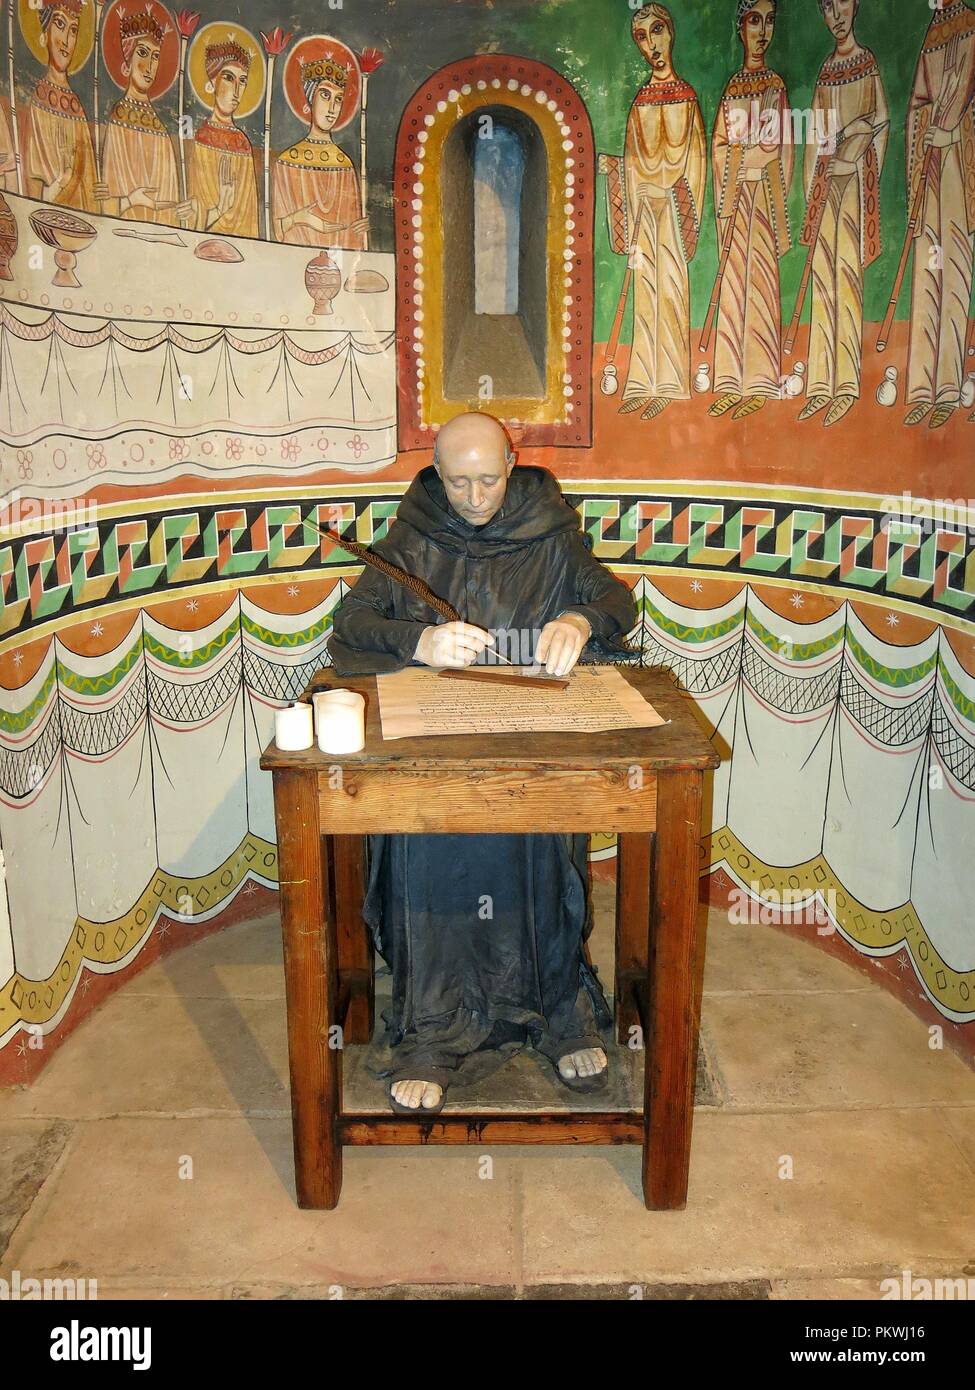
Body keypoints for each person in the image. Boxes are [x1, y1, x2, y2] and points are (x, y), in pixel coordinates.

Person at [328, 412, 637, 1114]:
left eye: (488, 479)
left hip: (526, 741)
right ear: (435, 474)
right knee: (431, 862)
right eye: (456, 480)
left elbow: (615, 601)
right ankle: (432, 1033)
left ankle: (555, 1014)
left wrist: (578, 621)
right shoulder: (412, 536)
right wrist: (419, 641)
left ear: (512, 462)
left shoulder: (549, 531)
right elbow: (350, 626)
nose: (473, 496)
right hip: (436, 746)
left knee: (539, 855)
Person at [799, 0, 888, 427]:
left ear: (855, 7)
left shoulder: (867, 62)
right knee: (823, 282)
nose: (836, 16)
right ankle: (819, 383)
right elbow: (814, 136)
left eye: (842, 5)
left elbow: (881, 123)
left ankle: (847, 384)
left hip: (852, 187)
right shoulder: (824, 71)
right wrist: (810, 190)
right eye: (827, 8)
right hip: (824, 188)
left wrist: (855, 162)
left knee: (847, 280)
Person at [619, 3, 706, 419]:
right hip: (644, 213)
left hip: (672, 209)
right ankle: (643, 380)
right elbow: (631, 161)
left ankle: (669, 382)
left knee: (671, 291)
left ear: (670, 34)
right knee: (644, 295)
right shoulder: (639, 102)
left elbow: (698, 163)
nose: (652, 44)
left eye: (657, 32)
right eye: (642, 37)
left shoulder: (687, 97)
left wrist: (674, 194)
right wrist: (629, 187)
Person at [709, 0, 794, 421]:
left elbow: (777, 148)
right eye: (754, 21)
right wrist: (738, 162)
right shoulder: (732, 89)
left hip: (761, 202)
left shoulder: (775, 85)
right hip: (734, 200)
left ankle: (760, 378)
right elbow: (720, 148)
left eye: (770, 21)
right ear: (740, 27)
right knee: (732, 286)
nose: (763, 31)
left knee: (759, 283)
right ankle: (728, 379)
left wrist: (748, 158)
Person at [903, 0, 975, 430]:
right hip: (930, 164)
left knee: (954, 267)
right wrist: (928, 123)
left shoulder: (971, 25)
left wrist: (955, 128)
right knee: (928, 269)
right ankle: (920, 387)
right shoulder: (933, 33)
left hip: (960, 167)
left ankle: (948, 385)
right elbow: (917, 103)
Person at [98, 8, 193, 226]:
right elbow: (105, 205)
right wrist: (132, 200)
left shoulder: (160, 129)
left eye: (156, 56)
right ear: (126, 63)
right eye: (142, 53)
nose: (149, 65)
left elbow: (169, 202)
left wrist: (184, 210)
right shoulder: (118, 117)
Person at [272, 54, 368, 248]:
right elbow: (277, 230)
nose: (332, 108)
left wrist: (360, 229)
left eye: (338, 99)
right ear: (310, 99)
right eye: (325, 95)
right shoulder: (286, 162)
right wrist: (302, 219)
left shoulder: (345, 165)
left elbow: (351, 237)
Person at [24, 0, 98, 212]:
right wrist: (58, 185)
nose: (66, 40)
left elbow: (90, 186)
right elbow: (34, 183)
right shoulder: (39, 99)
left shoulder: (77, 108)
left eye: (73, 30)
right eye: (59, 24)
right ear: (44, 34)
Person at [188, 39, 260, 237]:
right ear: (212, 82)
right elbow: (193, 216)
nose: (236, 90)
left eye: (243, 81)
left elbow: (250, 219)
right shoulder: (201, 137)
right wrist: (220, 208)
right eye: (229, 78)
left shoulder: (242, 143)